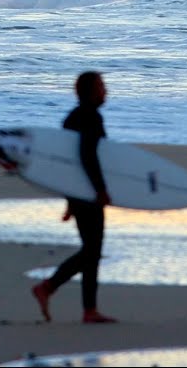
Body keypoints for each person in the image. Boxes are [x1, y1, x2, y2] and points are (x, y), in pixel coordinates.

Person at [30, 71, 118, 324]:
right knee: (92, 249)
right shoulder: (91, 118)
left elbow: (66, 161)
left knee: (92, 249)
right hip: (87, 191)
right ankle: (48, 288)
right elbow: (87, 156)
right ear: (90, 91)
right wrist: (99, 189)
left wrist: (69, 199)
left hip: (77, 191)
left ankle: (88, 309)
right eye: (102, 87)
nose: (106, 91)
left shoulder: (72, 118)